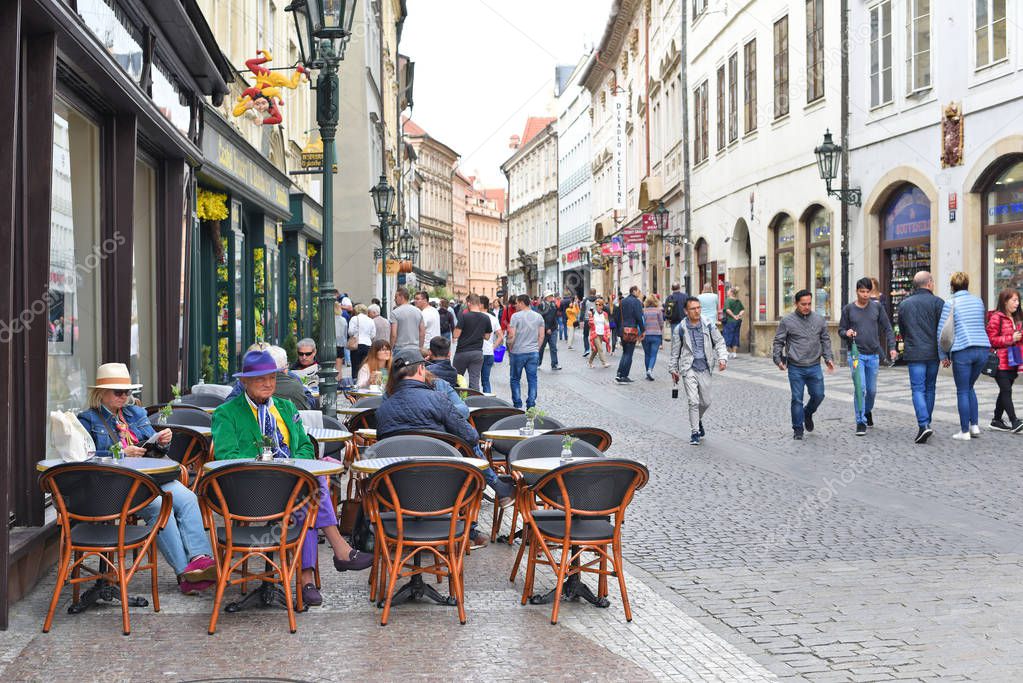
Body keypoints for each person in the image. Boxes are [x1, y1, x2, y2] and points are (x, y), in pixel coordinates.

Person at [212, 350, 372, 607]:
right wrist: (267, 463)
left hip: (290, 485)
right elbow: (226, 457)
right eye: (260, 379)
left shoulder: (286, 408)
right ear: (244, 381)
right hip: (249, 490)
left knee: (307, 489)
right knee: (310, 491)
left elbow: (305, 447)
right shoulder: (227, 413)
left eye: (272, 378)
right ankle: (326, 561)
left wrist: (294, 466)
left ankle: (308, 578)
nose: (268, 384)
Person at [77, 363, 217, 596]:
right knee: (161, 506)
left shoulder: (136, 413)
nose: (124, 397)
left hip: (151, 478)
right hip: (116, 485)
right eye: (118, 392)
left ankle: (200, 559)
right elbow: (84, 457)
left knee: (188, 498)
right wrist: (120, 453)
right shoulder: (88, 420)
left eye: (127, 392)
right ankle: (185, 574)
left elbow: (152, 447)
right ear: (101, 393)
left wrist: (163, 442)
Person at [375, 348, 515, 548]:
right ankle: (469, 529)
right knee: (468, 458)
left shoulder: (383, 409)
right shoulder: (438, 398)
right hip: (446, 487)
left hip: (397, 489)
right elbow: (471, 436)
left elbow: (384, 446)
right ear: (422, 370)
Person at [772, 289, 836, 440]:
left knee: (819, 395)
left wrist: (828, 358)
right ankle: (798, 429)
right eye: (803, 304)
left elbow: (825, 340)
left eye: (809, 304)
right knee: (797, 399)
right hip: (796, 367)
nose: (807, 307)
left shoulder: (819, 319)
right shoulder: (787, 321)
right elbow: (778, 341)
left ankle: (808, 413)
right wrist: (778, 360)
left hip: (814, 365)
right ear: (796, 304)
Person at [838, 277, 897, 436]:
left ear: (871, 292)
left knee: (872, 391)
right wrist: (847, 333)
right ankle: (860, 422)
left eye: (867, 292)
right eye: (861, 291)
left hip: (873, 356)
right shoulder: (848, 309)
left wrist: (892, 347)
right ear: (857, 291)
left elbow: (888, 328)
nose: (864, 295)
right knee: (860, 388)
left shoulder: (877, 308)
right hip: (856, 356)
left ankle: (867, 410)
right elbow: (841, 330)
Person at [937, 272, 991, 441]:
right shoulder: (978, 301)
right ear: (968, 285)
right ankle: (975, 426)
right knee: (970, 387)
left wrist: (943, 355)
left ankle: (964, 431)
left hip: (963, 350)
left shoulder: (950, 303)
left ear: (952, 287)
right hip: (982, 348)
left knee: (962, 390)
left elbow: (942, 332)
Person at [669, 298, 728, 445]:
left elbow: (719, 341)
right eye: (693, 309)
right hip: (688, 368)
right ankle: (694, 431)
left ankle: (698, 419)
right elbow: (675, 352)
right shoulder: (680, 329)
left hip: (706, 367)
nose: (697, 311)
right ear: (686, 311)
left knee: (706, 401)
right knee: (693, 401)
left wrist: (723, 358)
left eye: (698, 308)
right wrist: (673, 369)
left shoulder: (708, 324)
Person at [895, 271, 945, 443]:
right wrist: (945, 352)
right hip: (933, 352)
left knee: (917, 388)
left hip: (914, 351)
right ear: (930, 283)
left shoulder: (904, 304)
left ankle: (923, 425)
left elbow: (902, 329)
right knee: (930, 388)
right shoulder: (938, 302)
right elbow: (944, 330)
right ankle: (927, 422)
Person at [985, 288, 1023, 433]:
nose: (1017, 303)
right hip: (1000, 361)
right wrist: (1010, 338)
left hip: (1014, 360)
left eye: (1018, 300)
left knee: (1005, 390)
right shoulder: (997, 318)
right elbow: (991, 340)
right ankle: (1014, 421)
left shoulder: (1017, 317)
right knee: (1006, 390)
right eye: (1013, 300)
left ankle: (996, 420)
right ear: (1005, 301)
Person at [506, 294, 545, 409]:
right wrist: (536, 349)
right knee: (532, 379)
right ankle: (531, 404)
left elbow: (512, 335)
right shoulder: (538, 317)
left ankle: (517, 404)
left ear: (522, 303)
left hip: (517, 352)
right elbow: (541, 336)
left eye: (517, 303)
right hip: (533, 352)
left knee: (515, 379)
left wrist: (510, 347)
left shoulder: (515, 316)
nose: (515, 305)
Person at [452, 293, 492, 390]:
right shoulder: (486, 317)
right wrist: (478, 332)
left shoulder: (464, 316)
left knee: (456, 378)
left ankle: (456, 401)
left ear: (469, 303)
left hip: (462, 352)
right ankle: (475, 402)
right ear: (478, 303)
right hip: (477, 353)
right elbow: (487, 336)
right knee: (474, 381)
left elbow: (455, 335)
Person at [615, 285, 645, 383]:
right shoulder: (637, 302)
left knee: (625, 352)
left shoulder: (622, 301)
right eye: (638, 291)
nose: (639, 293)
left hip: (622, 330)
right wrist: (643, 330)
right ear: (634, 291)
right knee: (629, 353)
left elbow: (617, 317)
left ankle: (619, 373)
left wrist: (619, 329)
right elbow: (639, 317)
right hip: (631, 331)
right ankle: (624, 376)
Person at [389, 287, 425, 355]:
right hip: (415, 348)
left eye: (396, 297)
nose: (395, 300)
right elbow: (422, 333)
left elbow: (393, 335)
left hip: (400, 349)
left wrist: (390, 348)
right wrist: (420, 347)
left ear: (401, 297)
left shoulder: (394, 313)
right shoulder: (418, 311)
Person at [479, 295, 504, 394]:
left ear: (481, 305)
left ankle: (475, 402)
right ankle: (488, 403)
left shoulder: (476, 317)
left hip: (478, 352)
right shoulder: (493, 318)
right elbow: (501, 336)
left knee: (474, 381)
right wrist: (493, 347)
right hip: (489, 353)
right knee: (486, 381)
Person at [641, 295, 665, 381]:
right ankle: (650, 370)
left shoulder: (643, 311)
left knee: (647, 354)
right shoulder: (658, 311)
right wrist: (659, 329)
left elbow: (641, 323)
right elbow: (661, 323)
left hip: (645, 335)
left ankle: (647, 372)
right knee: (653, 354)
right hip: (656, 334)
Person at [537, 293, 562, 371]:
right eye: (551, 296)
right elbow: (541, 318)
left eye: (552, 296)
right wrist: (547, 328)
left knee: (553, 347)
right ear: (547, 297)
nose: (552, 297)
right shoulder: (541, 305)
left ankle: (554, 364)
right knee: (541, 347)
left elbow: (555, 317)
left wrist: (554, 327)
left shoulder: (553, 305)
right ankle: (538, 363)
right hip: (544, 330)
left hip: (553, 329)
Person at [348, 304, 374, 377]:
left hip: (357, 345)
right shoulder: (370, 320)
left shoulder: (354, 319)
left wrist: (356, 334)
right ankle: (365, 381)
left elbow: (350, 332)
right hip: (368, 345)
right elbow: (373, 334)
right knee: (366, 366)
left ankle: (356, 382)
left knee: (355, 366)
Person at [587, 297, 611, 368]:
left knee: (596, 350)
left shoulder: (605, 314)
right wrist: (590, 317)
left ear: (602, 305)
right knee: (600, 348)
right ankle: (604, 362)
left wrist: (608, 333)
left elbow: (607, 324)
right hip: (595, 333)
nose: (598, 306)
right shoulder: (593, 313)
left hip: (601, 333)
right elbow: (590, 324)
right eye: (596, 304)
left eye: (600, 304)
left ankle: (590, 362)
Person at [722, 288, 745, 358]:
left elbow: (727, 310)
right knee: (736, 335)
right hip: (737, 321)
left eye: (728, 291)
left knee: (728, 335)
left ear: (731, 293)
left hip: (729, 321)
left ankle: (728, 351)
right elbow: (742, 310)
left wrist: (734, 316)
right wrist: (739, 315)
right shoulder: (738, 301)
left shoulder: (728, 300)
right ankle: (734, 353)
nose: (727, 292)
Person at [580, 288, 597, 357]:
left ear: (589, 292)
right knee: (595, 336)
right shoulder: (598, 300)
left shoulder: (585, 300)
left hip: (587, 320)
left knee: (586, 335)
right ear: (595, 293)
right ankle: (594, 349)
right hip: (595, 320)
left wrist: (581, 320)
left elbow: (582, 310)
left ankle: (587, 349)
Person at [334, 301, 350, 372]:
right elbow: (345, 333)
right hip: (340, 343)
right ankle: (338, 379)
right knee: (339, 367)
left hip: (330, 344)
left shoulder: (328, 319)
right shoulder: (343, 320)